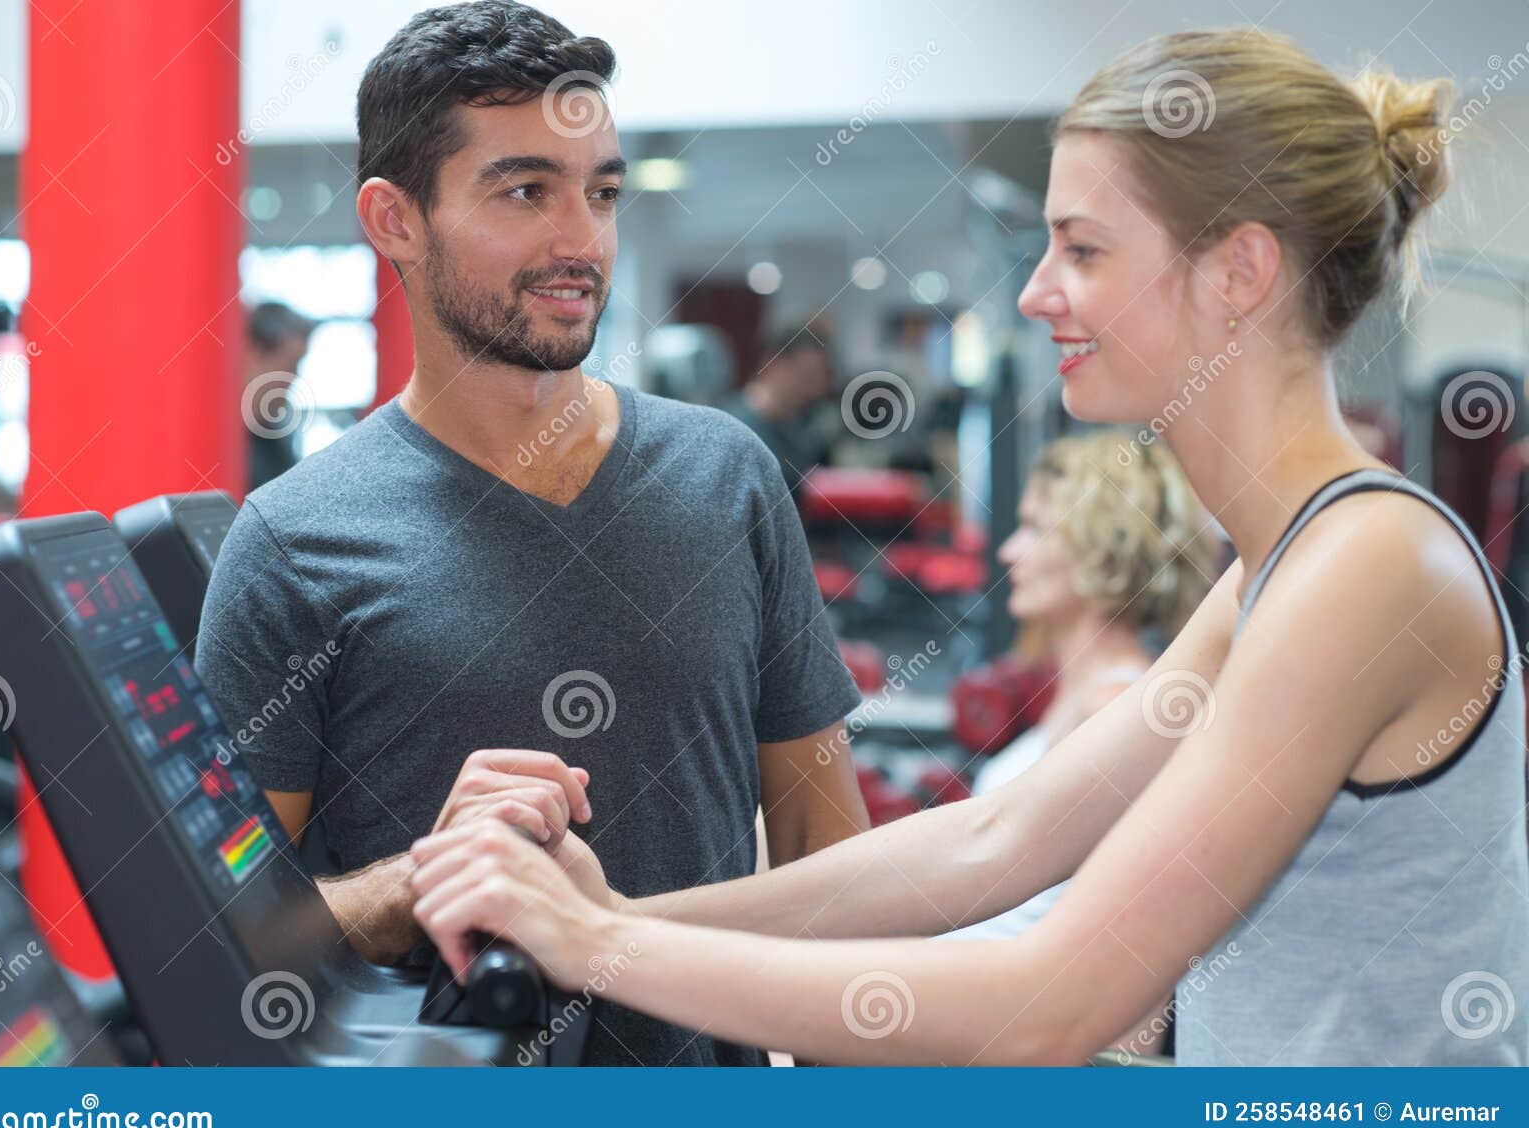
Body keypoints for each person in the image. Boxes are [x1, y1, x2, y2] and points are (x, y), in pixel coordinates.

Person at [409, 29, 1529, 1066]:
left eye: (1082, 249)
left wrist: (592, 945)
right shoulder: (1284, 565)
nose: (1039, 291)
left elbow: (1054, 1000)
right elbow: (994, 840)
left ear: (1237, 271)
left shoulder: (1365, 566)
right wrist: (611, 921)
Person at [196, 1, 869, 1067]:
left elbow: (828, 853)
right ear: (394, 220)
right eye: (524, 191)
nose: (579, 240)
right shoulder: (292, 540)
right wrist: (423, 876)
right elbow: (230, 945)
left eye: (599, 191)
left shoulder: (727, 475)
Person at [943, 431, 1215, 1055]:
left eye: (1035, 528)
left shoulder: (1117, 706)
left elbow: (1137, 950)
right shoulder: (1081, 696)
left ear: (1101, 548)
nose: (1009, 551)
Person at [723, 327, 834, 494]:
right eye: (805, 375)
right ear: (773, 363)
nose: (816, 388)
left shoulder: (804, 431)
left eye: (818, 376)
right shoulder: (733, 426)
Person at [241, 302, 315, 491]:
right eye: (292, 364)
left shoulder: (275, 437)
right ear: (256, 354)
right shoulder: (220, 437)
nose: (295, 377)